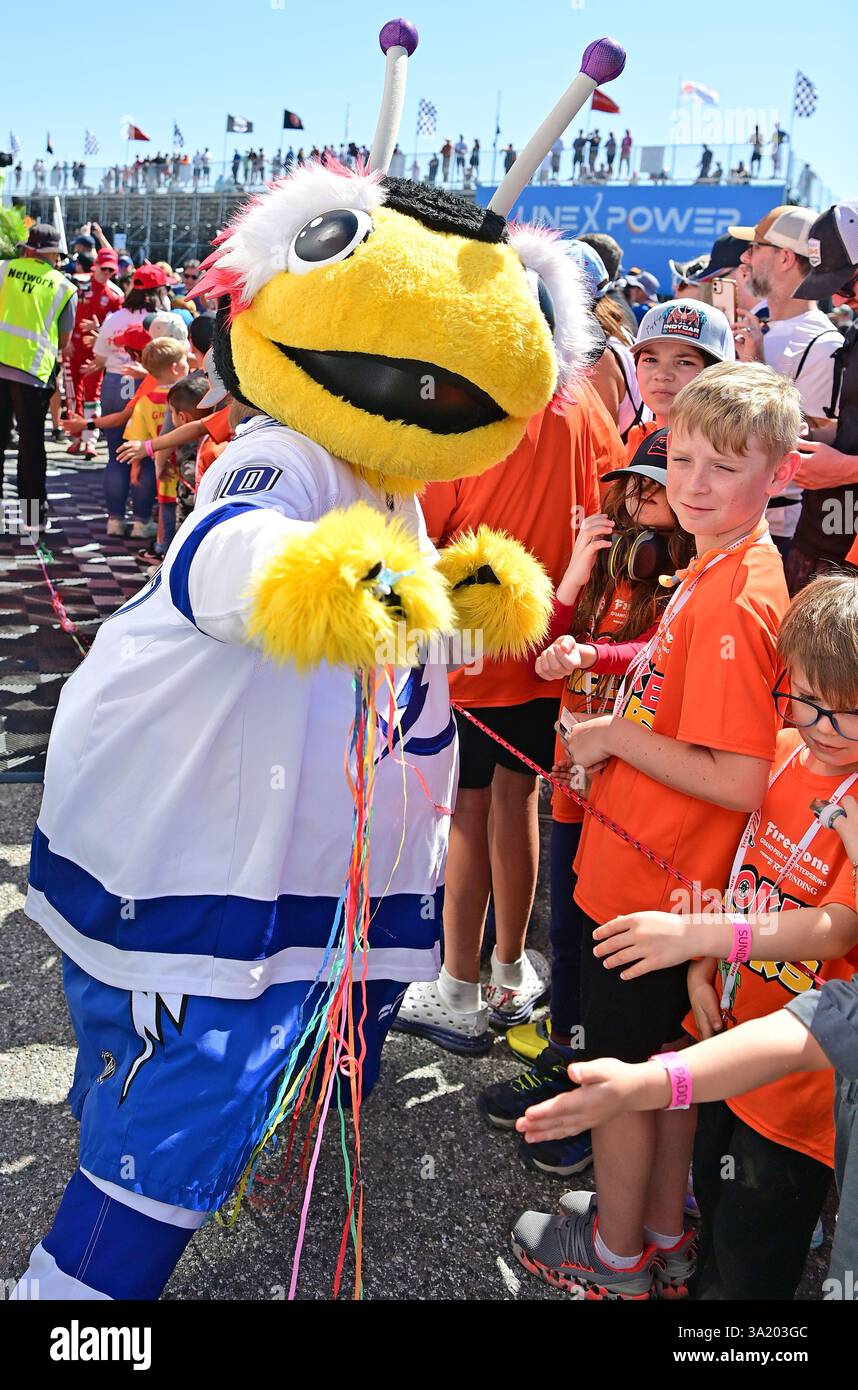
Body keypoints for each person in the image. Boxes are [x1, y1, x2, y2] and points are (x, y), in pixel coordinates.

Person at [506, 362, 800, 1298]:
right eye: (683, 460)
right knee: (668, 1076)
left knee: (619, 1078)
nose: (695, 483)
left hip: (654, 893)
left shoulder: (734, 598)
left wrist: (612, 734)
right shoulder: (716, 565)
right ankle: (660, 1229)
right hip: (665, 885)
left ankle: (617, 1256)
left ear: (780, 475)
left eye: (726, 465)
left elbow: (742, 776)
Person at [515, 573, 858, 1300]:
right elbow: (748, 871)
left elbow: (835, 928)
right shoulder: (788, 752)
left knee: (752, 1259)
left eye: (849, 714)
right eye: (806, 699)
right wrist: (704, 968)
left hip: (798, 1094)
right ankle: (671, 1253)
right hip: (728, 1050)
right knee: (717, 1203)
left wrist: (697, 935)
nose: (823, 726)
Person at [395, 376, 625, 1055]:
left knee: (466, 814)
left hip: (472, 651)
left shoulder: (467, 399)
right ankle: (507, 967)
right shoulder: (582, 398)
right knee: (518, 801)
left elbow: (416, 534)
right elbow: (611, 490)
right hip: (549, 642)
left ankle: (460, 988)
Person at [489, 433, 694, 1146]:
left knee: (602, 934)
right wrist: (576, 569)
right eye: (633, 490)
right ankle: (564, 1053)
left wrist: (593, 652)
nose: (641, 504)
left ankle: (590, 1087)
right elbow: (546, 641)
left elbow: (656, 656)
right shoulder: (611, 570)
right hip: (570, 780)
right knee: (568, 925)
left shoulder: (682, 587)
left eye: (656, 492)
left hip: (625, 787)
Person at [731, 205, 841, 566]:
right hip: (735, 517)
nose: (745, 257)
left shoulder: (822, 342)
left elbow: (807, 445)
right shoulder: (757, 325)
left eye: (756, 246)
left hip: (779, 533)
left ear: (784, 257)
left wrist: (755, 367)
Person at [789, 203, 858, 585]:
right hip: (826, 537)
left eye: (846, 283)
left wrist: (847, 468)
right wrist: (810, 438)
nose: (841, 299)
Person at [0, 223, 77, 533]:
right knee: (31, 445)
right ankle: (32, 516)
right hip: (32, 373)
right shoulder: (63, 286)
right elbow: (63, 340)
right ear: (52, 254)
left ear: (28, 249)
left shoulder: (4, 269)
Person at [87, 263, 170, 535]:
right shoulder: (162, 320)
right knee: (144, 454)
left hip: (113, 382)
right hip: (150, 385)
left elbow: (99, 359)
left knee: (115, 455)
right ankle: (142, 522)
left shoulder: (114, 319)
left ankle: (114, 520)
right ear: (159, 291)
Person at [121, 338, 189, 565]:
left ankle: (164, 551)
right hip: (187, 465)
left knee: (166, 509)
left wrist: (136, 466)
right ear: (175, 367)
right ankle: (178, 556)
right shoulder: (189, 395)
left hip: (162, 464)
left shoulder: (144, 401)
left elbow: (137, 440)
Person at [63, 246, 123, 461]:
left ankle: (90, 437)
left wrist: (98, 329)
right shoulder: (77, 284)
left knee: (92, 393)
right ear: (96, 265)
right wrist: (66, 340)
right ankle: (77, 436)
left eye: (111, 271)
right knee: (72, 395)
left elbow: (118, 329)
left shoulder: (116, 295)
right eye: (104, 269)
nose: (107, 274)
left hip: (96, 353)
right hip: (72, 348)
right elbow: (63, 311)